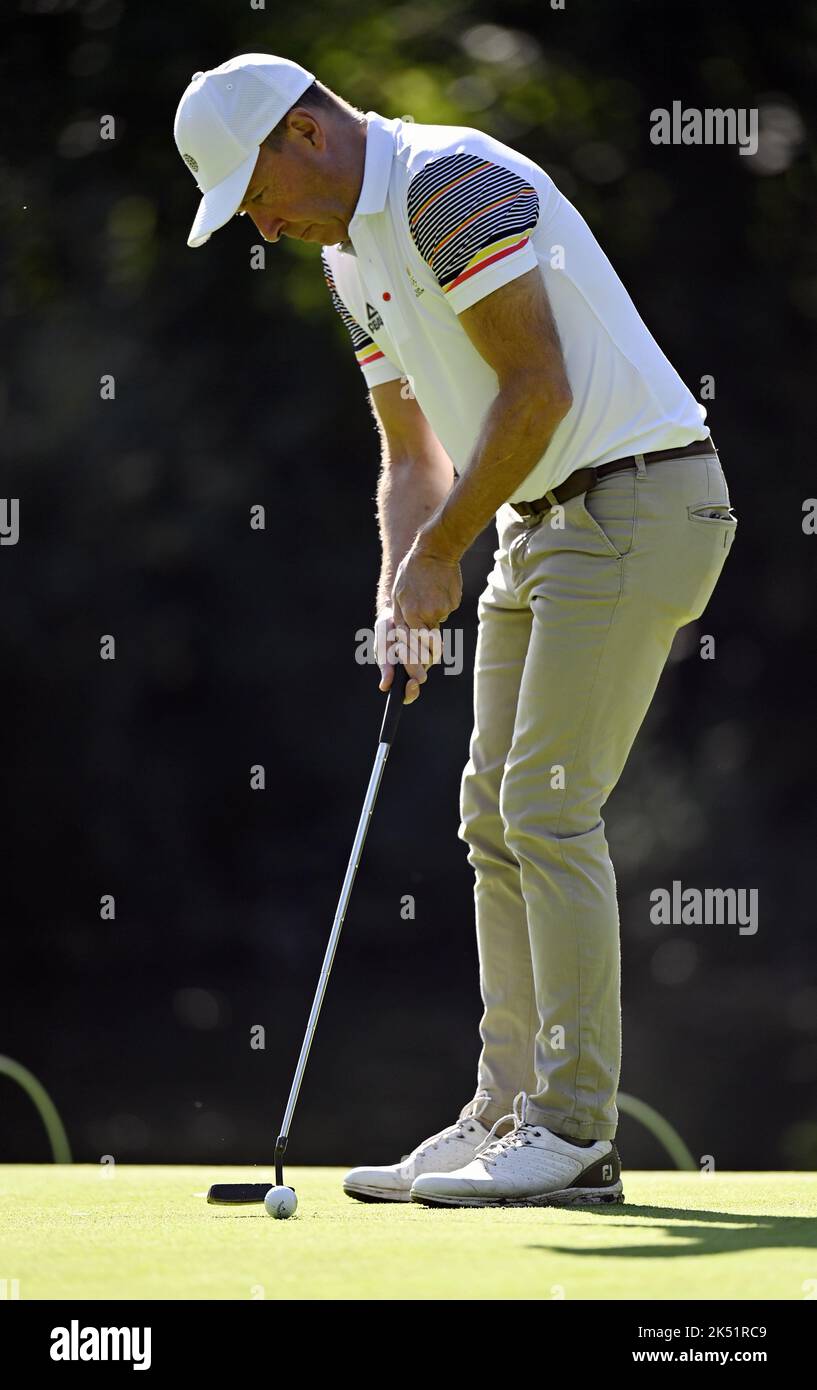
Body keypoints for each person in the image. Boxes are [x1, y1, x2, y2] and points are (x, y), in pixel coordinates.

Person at [175, 54, 737, 1208]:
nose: (262, 225)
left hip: (639, 494)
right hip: (540, 517)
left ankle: (574, 1133)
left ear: (306, 136)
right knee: (490, 815)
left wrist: (442, 554)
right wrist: (401, 584)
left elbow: (538, 389)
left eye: (255, 194)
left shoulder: (447, 185)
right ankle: (504, 1115)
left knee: (545, 802)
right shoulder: (346, 258)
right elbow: (410, 453)